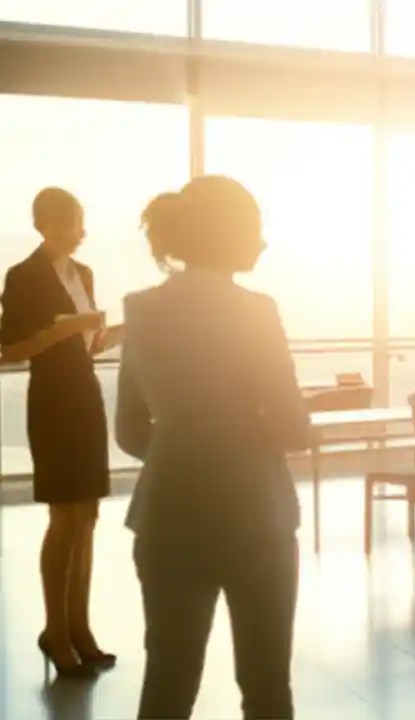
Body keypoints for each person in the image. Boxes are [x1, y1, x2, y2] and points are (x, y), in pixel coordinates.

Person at [119, 177, 308, 718]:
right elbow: (293, 428)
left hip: (167, 517)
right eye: (254, 228)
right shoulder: (256, 310)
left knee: (168, 686)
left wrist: (183, 445)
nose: (263, 241)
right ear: (226, 233)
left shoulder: (141, 310)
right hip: (258, 518)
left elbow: (130, 430)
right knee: (267, 687)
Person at [0, 188, 121, 678]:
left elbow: (87, 346)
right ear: (47, 224)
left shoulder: (83, 273)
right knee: (64, 518)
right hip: (51, 403)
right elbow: (9, 349)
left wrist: (121, 330)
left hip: (84, 396)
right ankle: (55, 629)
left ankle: (79, 628)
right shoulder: (23, 276)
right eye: (74, 220)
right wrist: (64, 330)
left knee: (88, 515)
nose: (81, 228)